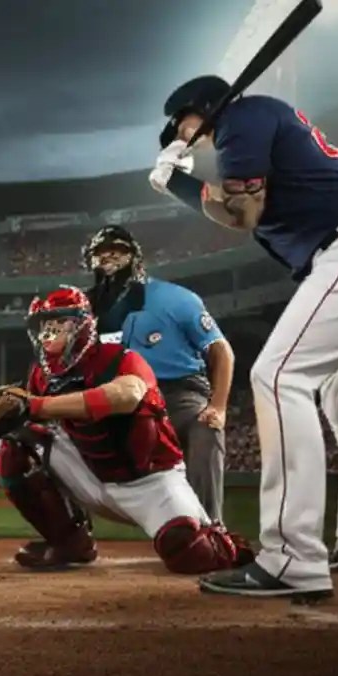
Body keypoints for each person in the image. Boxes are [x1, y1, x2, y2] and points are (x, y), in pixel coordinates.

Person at [150, 76, 338, 600]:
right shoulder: (253, 121)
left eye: (182, 123)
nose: (183, 135)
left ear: (202, 110)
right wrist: (188, 184)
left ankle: (292, 557)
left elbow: (243, 213)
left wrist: (183, 186)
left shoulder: (241, 117)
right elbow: (248, 207)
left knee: (277, 376)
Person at [0, 286, 253, 575]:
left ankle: (223, 543)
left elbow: (126, 396)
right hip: (89, 472)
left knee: (191, 553)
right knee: (11, 449)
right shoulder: (40, 375)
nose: (49, 334)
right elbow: (30, 424)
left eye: (58, 324)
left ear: (83, 326)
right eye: (44, 327)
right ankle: (69, 542)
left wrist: (36, 406)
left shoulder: (120, 358)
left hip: (150, 481)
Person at [81, 224, 234, 522]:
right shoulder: (85, 308)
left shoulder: (176, 298)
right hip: (118, 397)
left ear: (136, 257)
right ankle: (71, 536)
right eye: (100, 252)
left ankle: (209, 529)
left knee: (206, 429)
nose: (109, 256)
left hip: (178, 392)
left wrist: (218, 406)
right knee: (54, 434)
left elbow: (221, 350)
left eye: (118, 250)